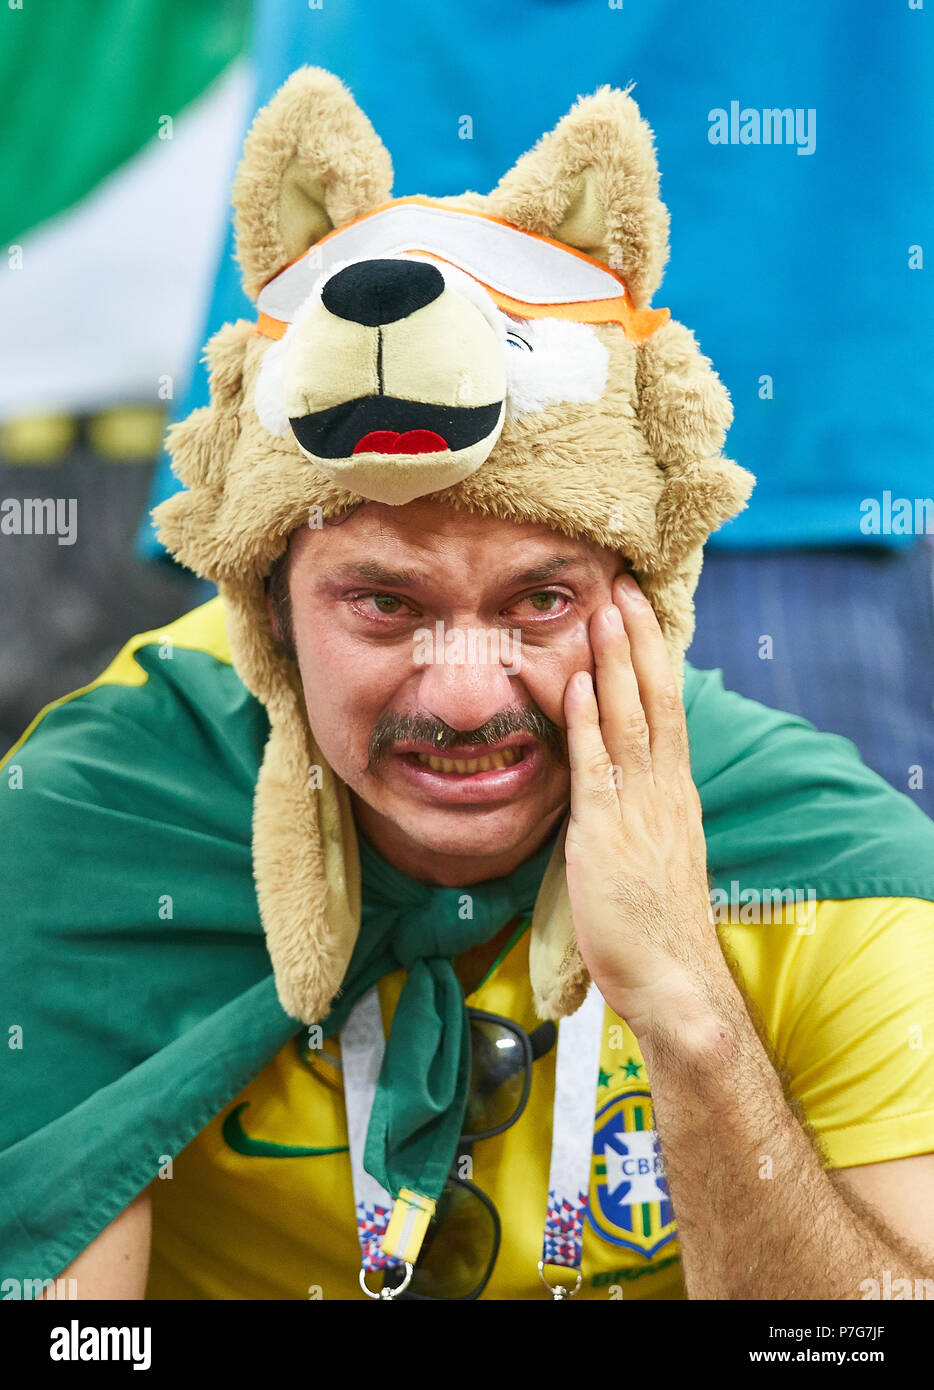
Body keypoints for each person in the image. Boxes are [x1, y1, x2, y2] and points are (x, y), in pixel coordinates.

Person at [3, 68, 934, 1303]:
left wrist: (691, 1017)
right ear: (267, 610)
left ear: (649, 601)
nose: (456, 698)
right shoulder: (95, 832)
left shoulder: (824, 867)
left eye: (539, 602)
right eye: (384, 605)